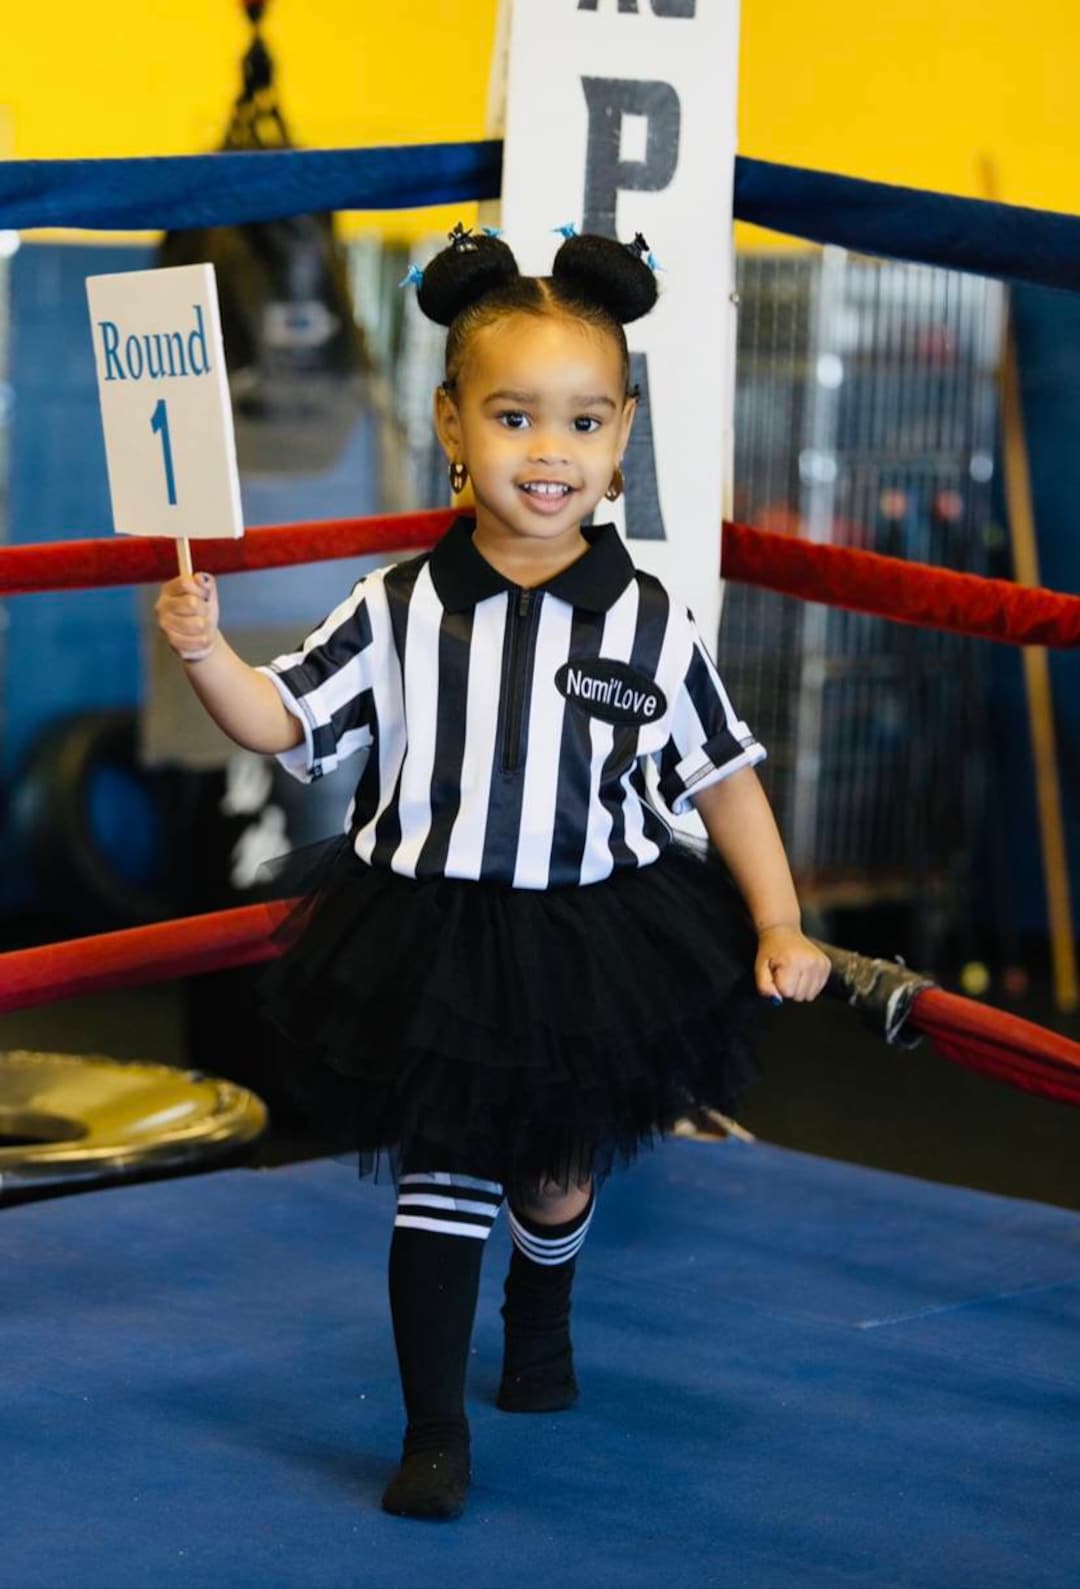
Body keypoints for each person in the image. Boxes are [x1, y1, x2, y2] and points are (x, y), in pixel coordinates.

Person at [154, 221, 831, 1523]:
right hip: (434, 926)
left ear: (624, 437)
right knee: (443, 1172)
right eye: (515, 416)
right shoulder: (397, 603)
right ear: (452, 425)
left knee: (558, 1166)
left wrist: (781, 914)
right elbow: (284, 721)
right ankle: (434, 1430)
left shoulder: (645, 621)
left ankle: (544, 1304)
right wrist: (203, 659)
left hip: (592, 930)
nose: (549, 451)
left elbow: (723, 772)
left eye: (582, 423)